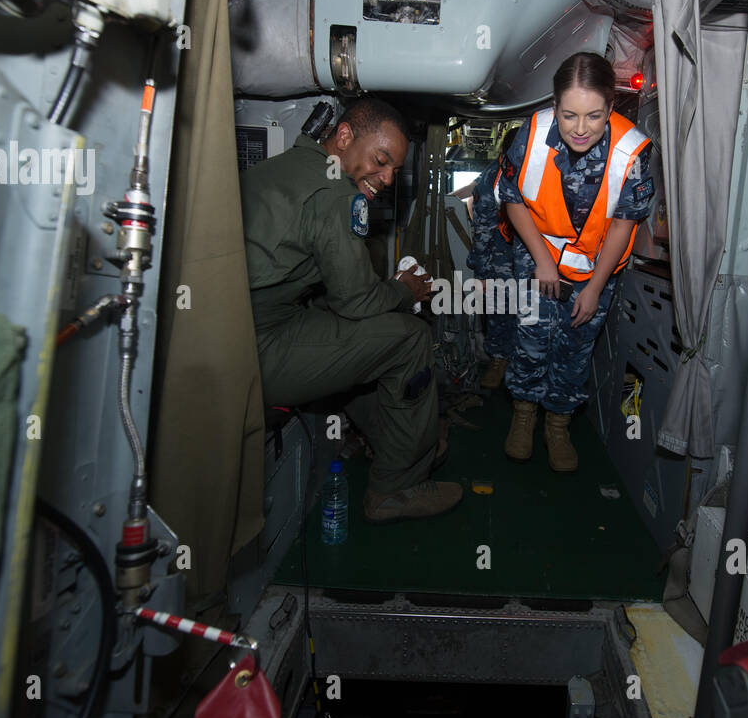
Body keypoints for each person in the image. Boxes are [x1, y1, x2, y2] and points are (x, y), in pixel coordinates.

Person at [240, 96, 463, 522]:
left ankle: (397, 442)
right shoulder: (338, 196)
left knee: (354, 338)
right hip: (256, 350)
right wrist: (405, 291)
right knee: (410, 338)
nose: (385, 178)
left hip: (245, 327)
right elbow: (357, 300)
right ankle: (395, 488)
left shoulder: (290, 166)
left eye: (394, 170)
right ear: (344, 136)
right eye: (380, 160)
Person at [496, 53, 653, 472]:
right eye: (568, 116)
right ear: (554, 105)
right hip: (535, 256)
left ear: (611, 108)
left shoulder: (631, 150)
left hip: (594, 268)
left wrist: (596, 288)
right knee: (530, 340)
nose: (580, 129)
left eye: (594, 116)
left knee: (575, 349)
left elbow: (623, 224)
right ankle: (524, 416)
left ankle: (558, 425)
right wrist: (543, 261)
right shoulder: (528, 136)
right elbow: (512, 201)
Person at [465, 127, 521, 389]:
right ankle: (499, 361)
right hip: (499, 254)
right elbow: (483, 231)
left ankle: (520, 364)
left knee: (529, 313)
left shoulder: (537, 171)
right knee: (499, 310)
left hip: (531, 256)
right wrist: (483, 273)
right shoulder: (491, 180)